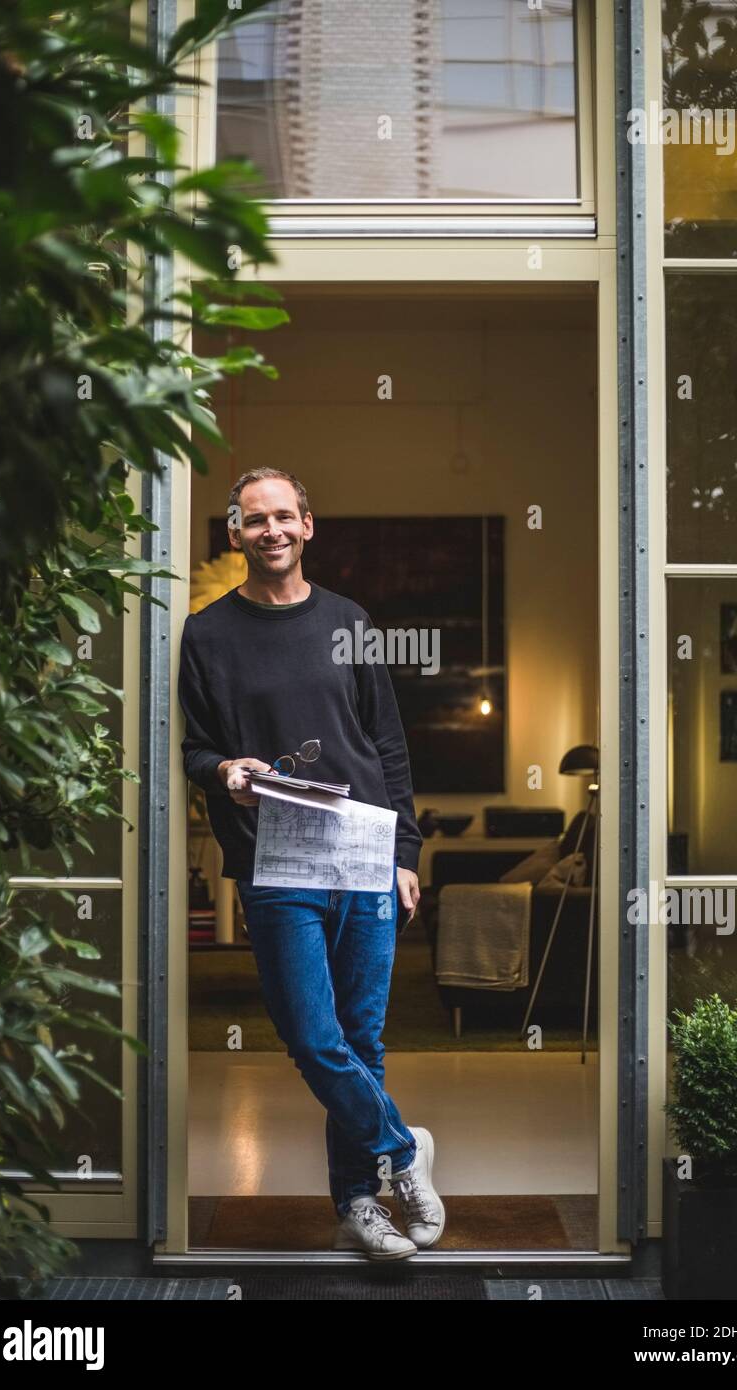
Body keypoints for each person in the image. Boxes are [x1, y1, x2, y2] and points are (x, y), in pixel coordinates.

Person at [178, 467, 445, 1259]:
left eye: (283, 517)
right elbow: (195, 746)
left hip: (363, 856)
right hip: (275, 861)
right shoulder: (208, 633)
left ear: (308, 524)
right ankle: (402, 1148)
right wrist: (223, 771)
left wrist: (405, 851)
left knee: (361, 1039)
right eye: (254, 521)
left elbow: (389, 747)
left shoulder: (350, 621)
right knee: (310, 1034)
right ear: (236, 534)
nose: (272, 531)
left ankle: (358, 1205)